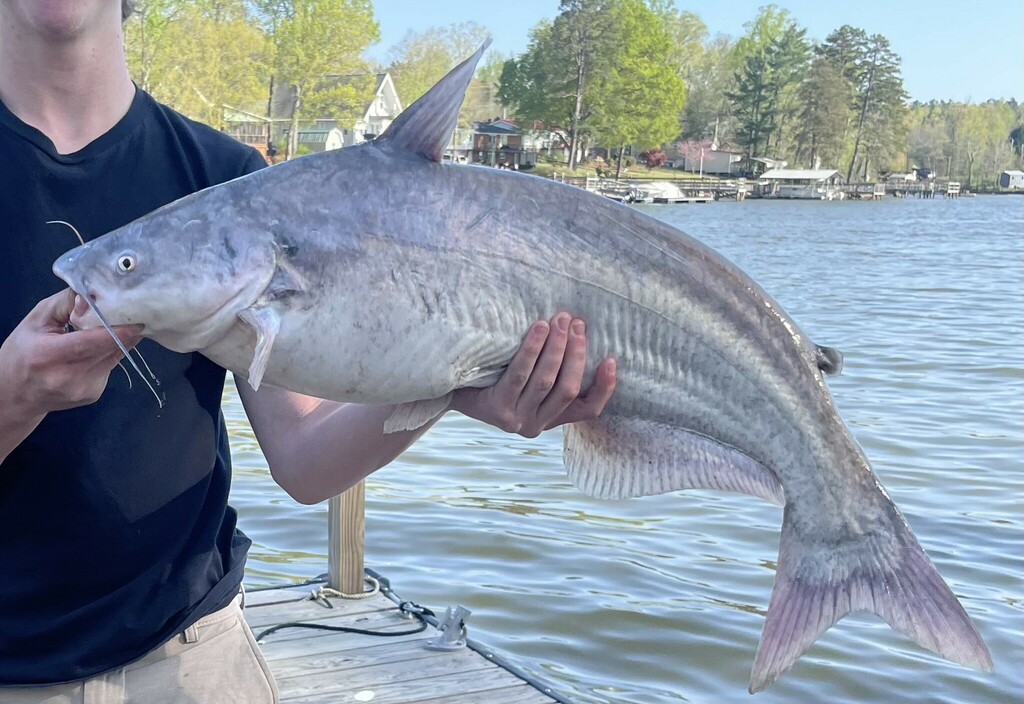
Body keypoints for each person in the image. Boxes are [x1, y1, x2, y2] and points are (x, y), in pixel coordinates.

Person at [0, 1, 618, 701]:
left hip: (196, 662)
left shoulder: (225, 175)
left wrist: (447, 381)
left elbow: (304, 458)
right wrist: (12, 398)